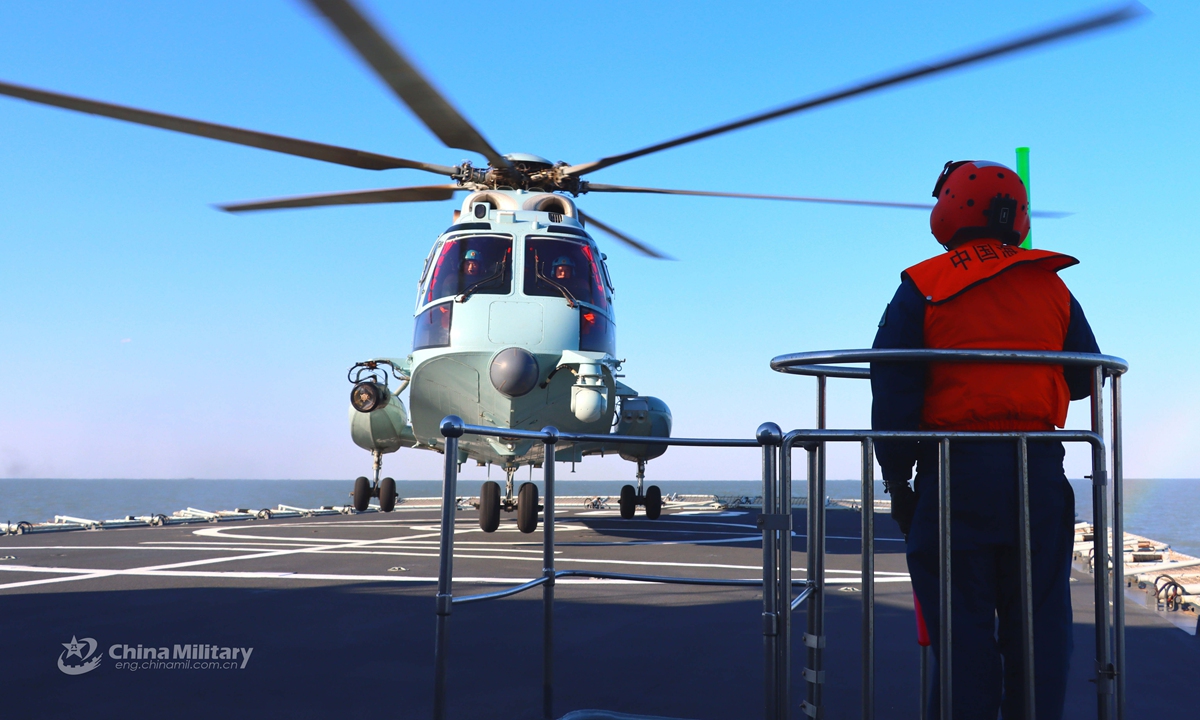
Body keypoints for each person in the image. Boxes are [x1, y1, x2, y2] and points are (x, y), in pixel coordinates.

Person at [871, 160, 1100, 720]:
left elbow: (894, 388)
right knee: (1041, 628)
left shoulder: (923, 285)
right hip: (1038, 473)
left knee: (961, 632)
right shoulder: (1051, 286)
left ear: (949, 207)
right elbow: (1085, 378)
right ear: (1017, 215)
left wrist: (899, 483)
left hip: (955, 475)